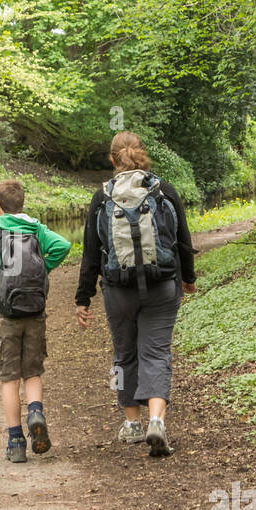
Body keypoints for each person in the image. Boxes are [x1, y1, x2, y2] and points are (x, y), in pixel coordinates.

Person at [74, 132, 196, 457]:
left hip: (118, 290)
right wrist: (190, 278)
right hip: (162, 285)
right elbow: (182, 236)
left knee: (123, 354)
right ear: (142, 154)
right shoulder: (162, 189)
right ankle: (157, 420)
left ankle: (132, 424)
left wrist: (83, 298)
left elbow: (90, 253)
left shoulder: (102, 198)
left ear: (112, 160)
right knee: (156, 353)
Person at [0, 179, 72, 463]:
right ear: (21, 204)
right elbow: (63, 245)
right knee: (32, 372)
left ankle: (15, 442)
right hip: (34, 312)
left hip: (4, 315)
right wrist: (42, 269)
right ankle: (35, 411)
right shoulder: (35, 227)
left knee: (9, 379)